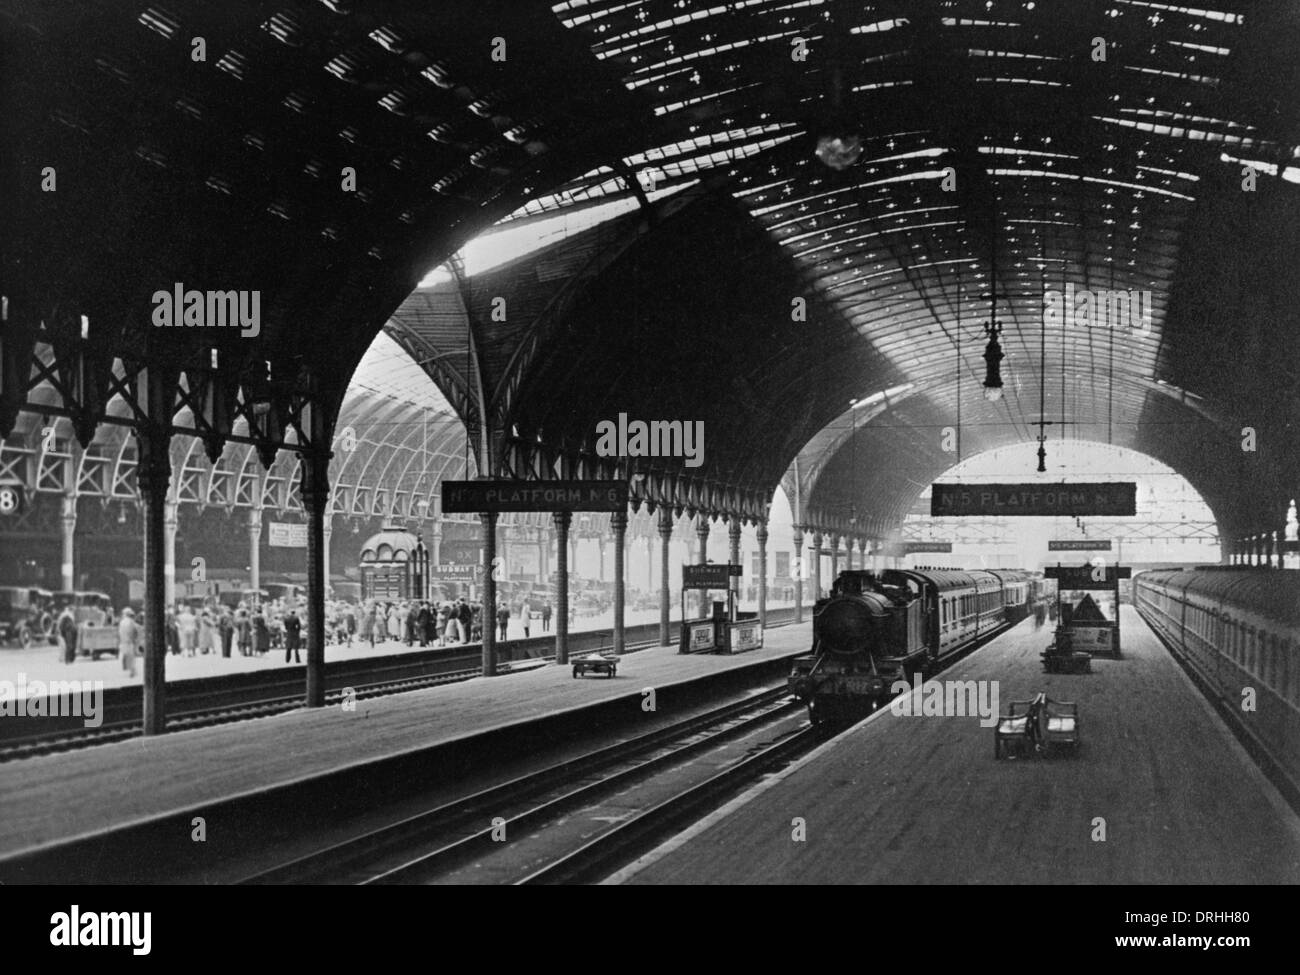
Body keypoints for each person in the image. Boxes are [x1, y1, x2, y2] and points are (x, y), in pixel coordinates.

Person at [117, 607, 141, 679]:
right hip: (129, 642)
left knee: (125, 656)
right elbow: (136, 631)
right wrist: (136, 640)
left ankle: (130, 671)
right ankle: (132, 671)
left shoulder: (122, 622)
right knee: (131, 657)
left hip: (123, 642)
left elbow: (119, 633)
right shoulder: (131, 622)